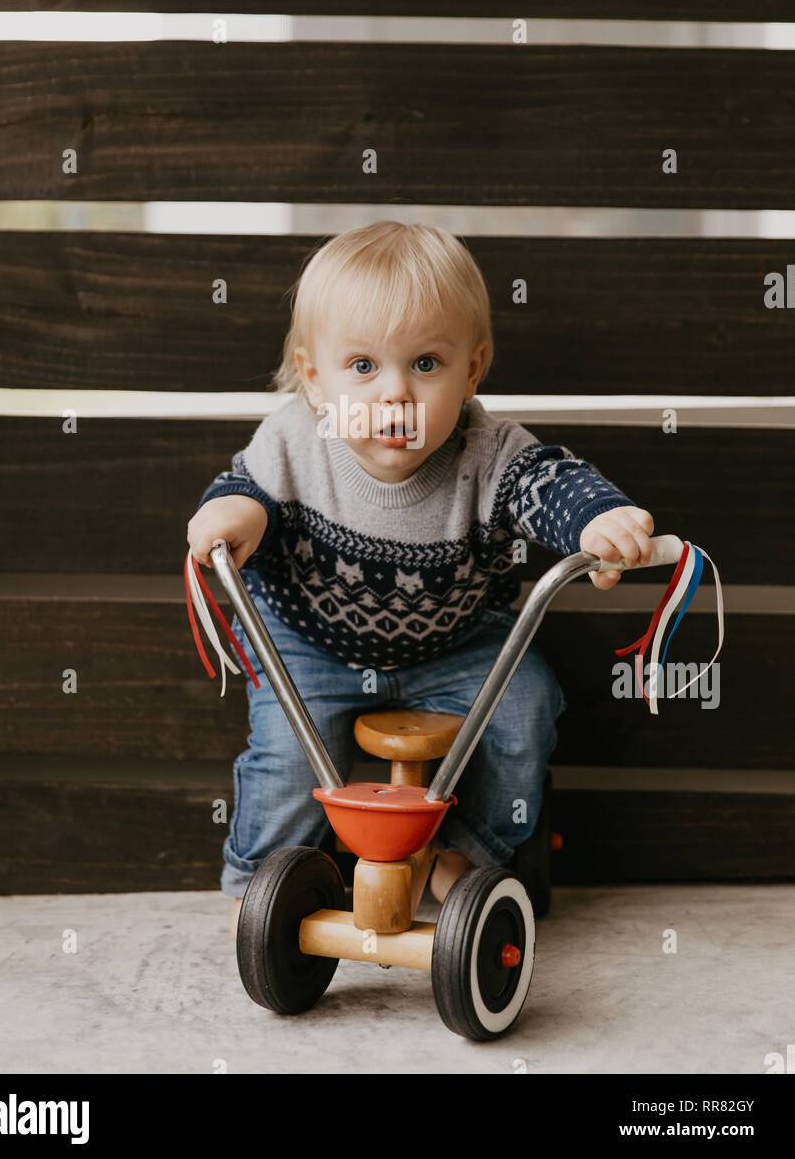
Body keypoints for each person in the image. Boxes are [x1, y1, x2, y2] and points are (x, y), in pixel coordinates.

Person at [186, 222, 654, 936]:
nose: (395, 395)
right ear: (315, 380)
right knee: (286, 750)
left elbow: (549, 484)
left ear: (474, 370)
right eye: (364, 367)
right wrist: (232, 515)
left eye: (427, 364)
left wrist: (598, 522)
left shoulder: (488, 452)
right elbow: (243, 490)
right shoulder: (293, 441)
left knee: (526, 709)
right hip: (313, 646)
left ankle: (468, 853)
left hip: (458, 646)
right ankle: (262, 884)